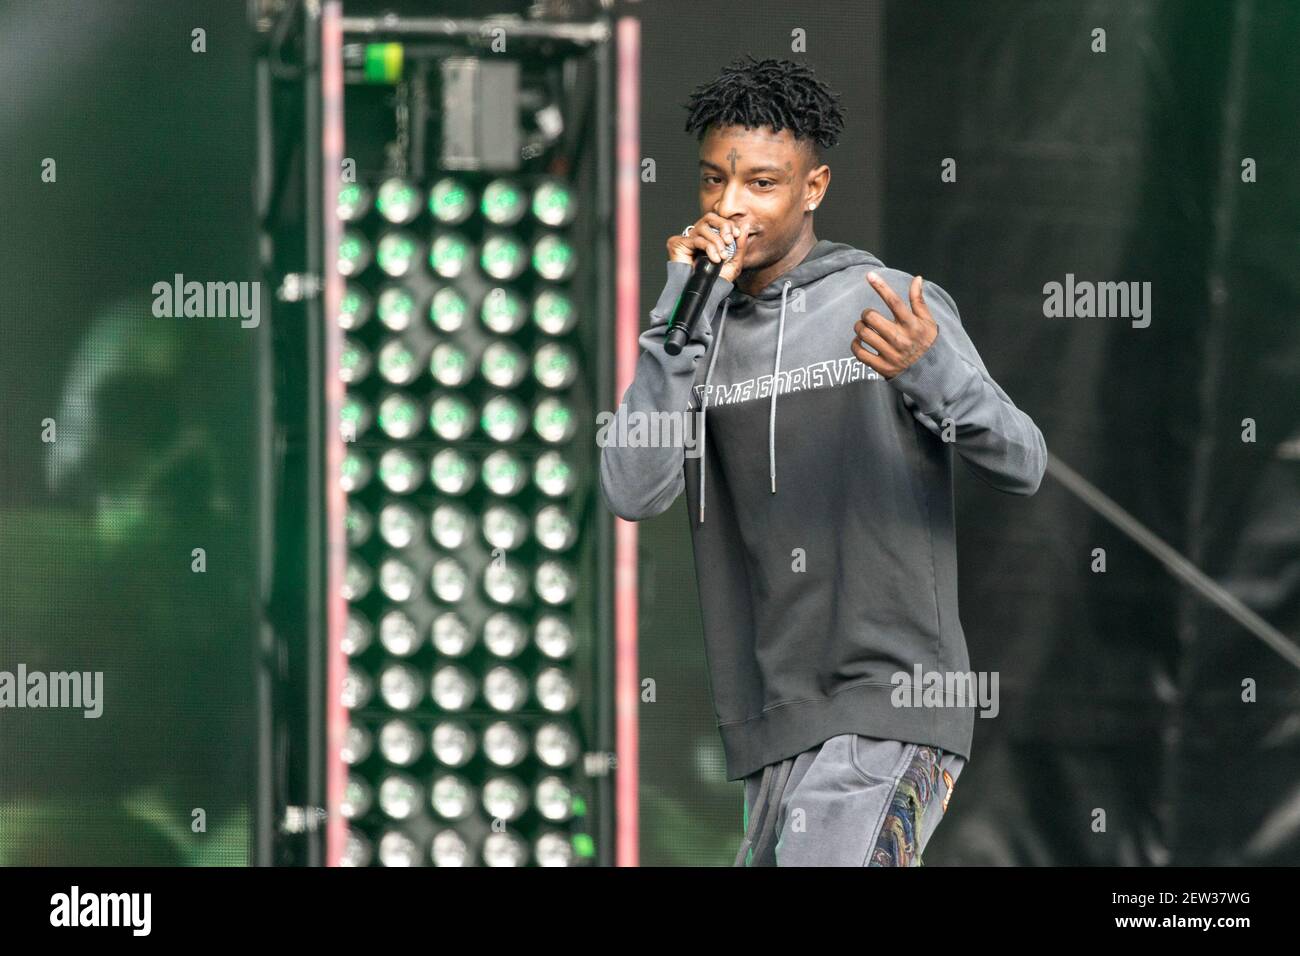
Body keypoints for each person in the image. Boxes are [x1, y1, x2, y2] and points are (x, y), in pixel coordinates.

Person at [599, 55, 1047, 866]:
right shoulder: (692, 330)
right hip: (774, 720)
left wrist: (930, 371)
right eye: (711, 182)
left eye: (761, 185)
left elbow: (1023, 460)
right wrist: (675, 320)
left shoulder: (885, 299)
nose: (730, 207)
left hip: (893, 701)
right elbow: (633, 489)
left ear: (813, 188)